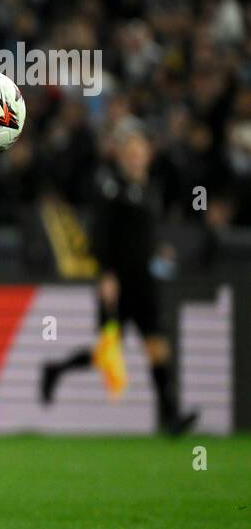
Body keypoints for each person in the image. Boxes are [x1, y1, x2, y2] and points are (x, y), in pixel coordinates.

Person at [41, 129, 198, 435]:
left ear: (148, 155)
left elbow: (142, 234)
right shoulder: (112, 189)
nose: (136, 157)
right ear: (122, 156)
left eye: (140, 151)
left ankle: (171, 417)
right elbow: (100, 235)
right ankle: (55, 370)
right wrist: (106, 274)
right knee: (106, 353)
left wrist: (157, 250)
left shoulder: (151, 189)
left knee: (156, 345)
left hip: (144, 282)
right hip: (118, 283)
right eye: (130, 151)